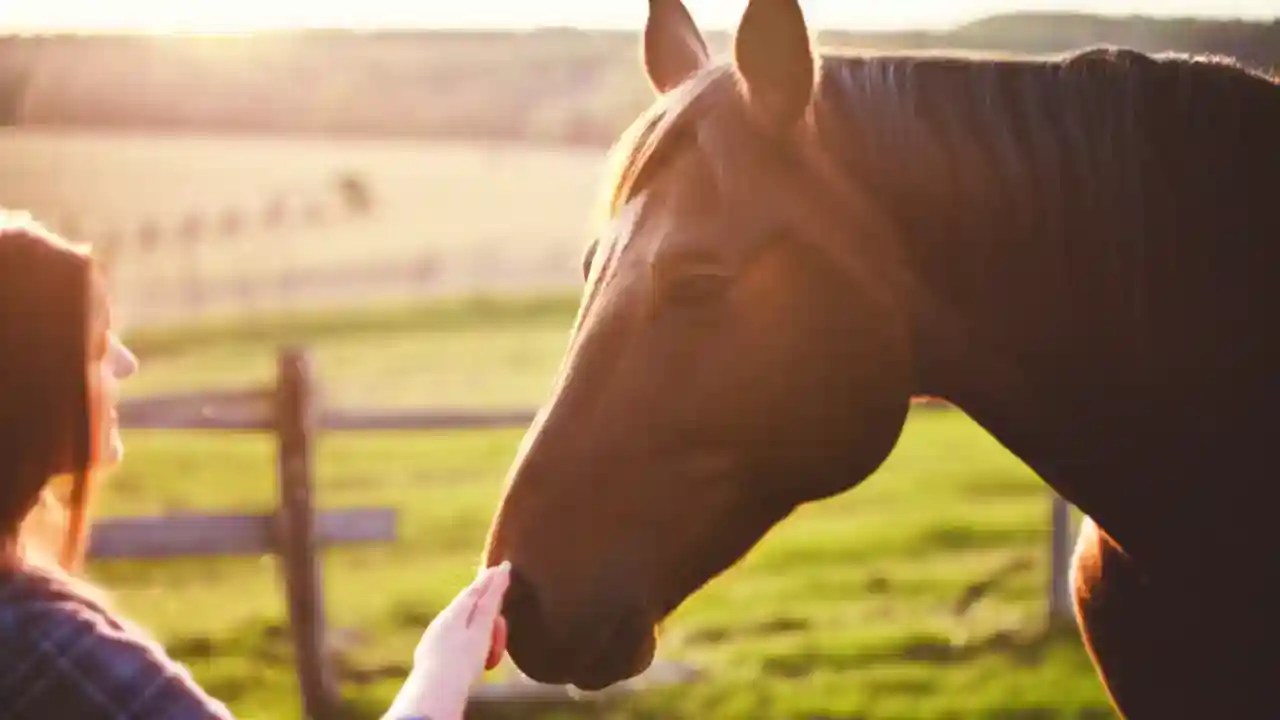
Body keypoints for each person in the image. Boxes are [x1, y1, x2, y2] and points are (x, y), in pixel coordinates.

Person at [0, 213, 509, 720]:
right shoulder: (43, 648)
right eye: (93, 346)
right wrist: (443, 668)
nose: (125, 363)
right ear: (27, 378)